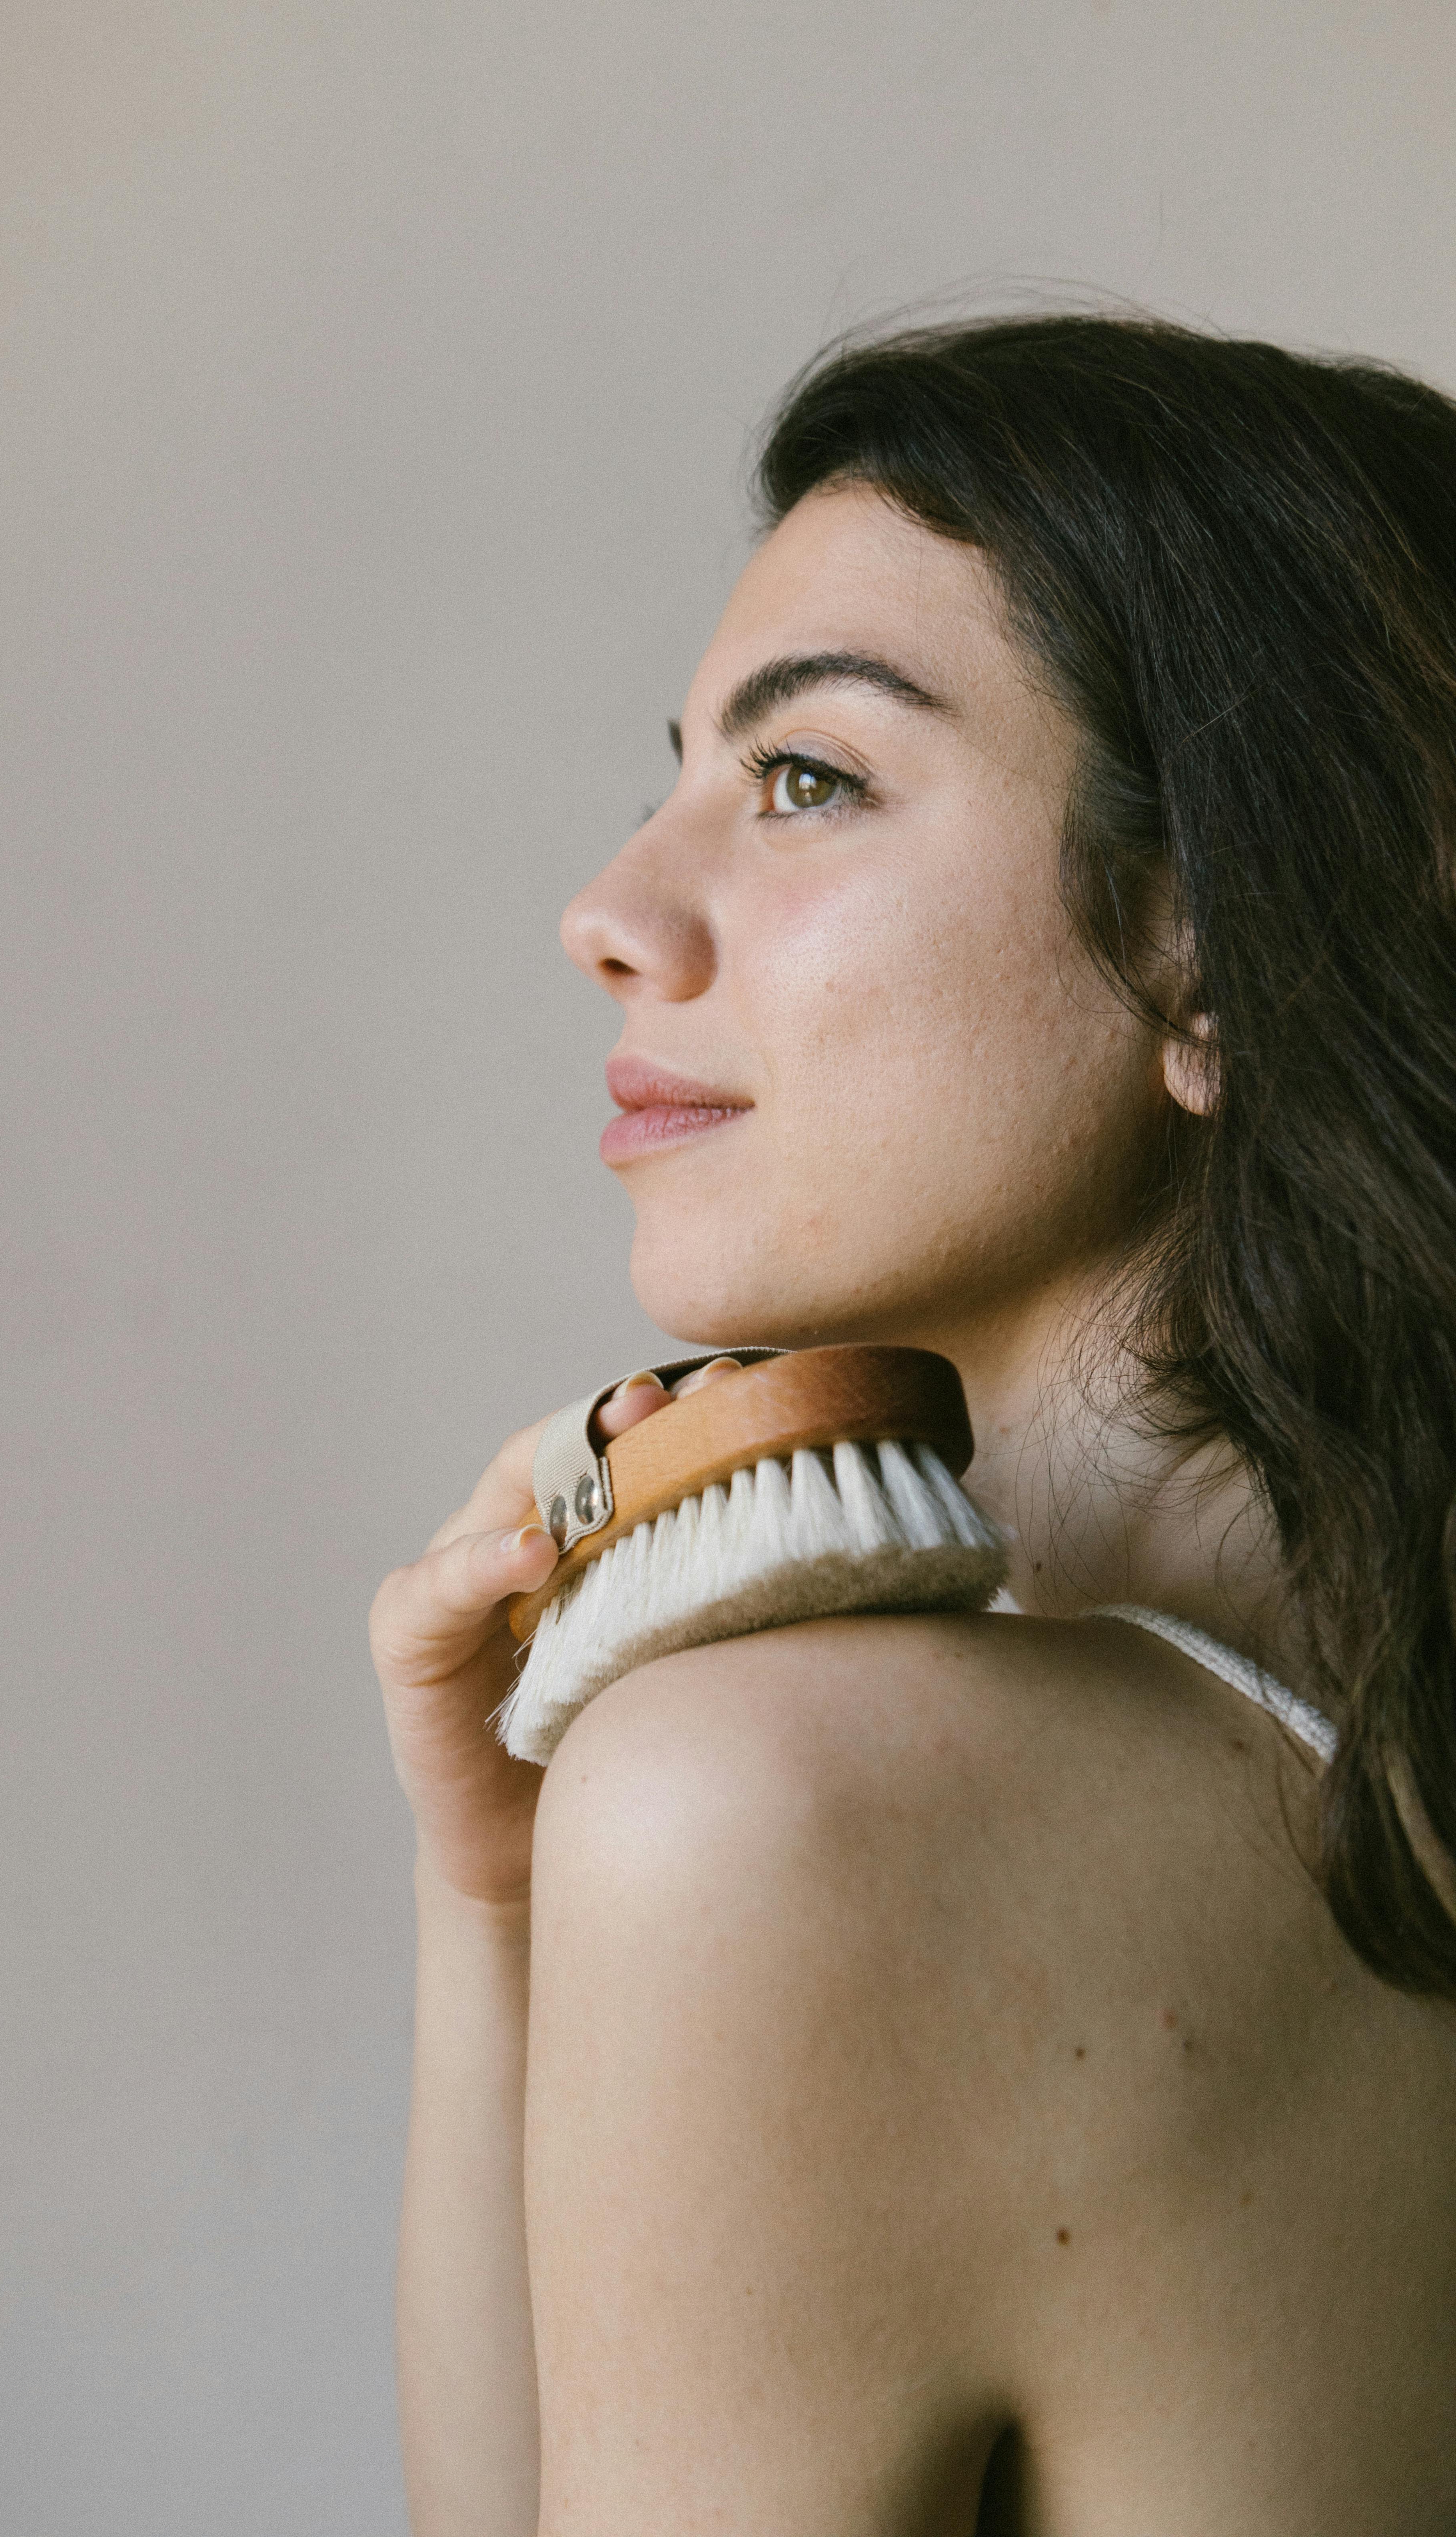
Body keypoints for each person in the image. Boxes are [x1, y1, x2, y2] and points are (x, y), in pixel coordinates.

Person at [369, 314, 1456, 2535]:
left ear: (1215, 945)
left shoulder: (789, 1807)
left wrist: (631, 1852)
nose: (612, 913)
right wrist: (490, 1895)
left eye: (807, 783)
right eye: (679, 772)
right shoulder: (1380, 1771)